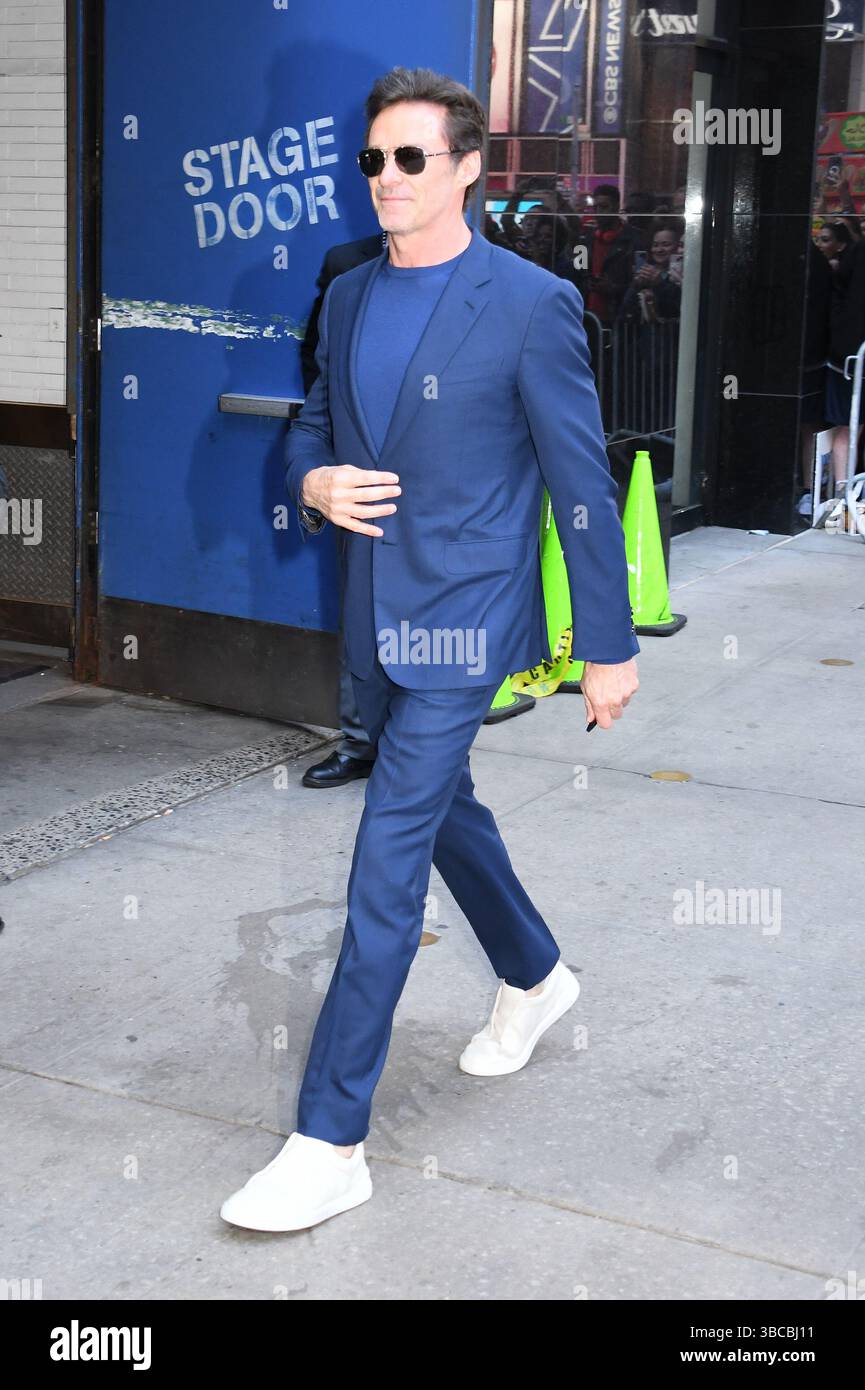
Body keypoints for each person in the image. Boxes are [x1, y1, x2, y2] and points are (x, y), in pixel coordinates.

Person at [220, 65, 639, 1233]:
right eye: (373, 159)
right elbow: (313, 417)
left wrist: (603, 645)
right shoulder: (350, 292)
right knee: (444, 807)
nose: (388, 179)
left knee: (386, 860)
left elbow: (579, 483)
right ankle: (536, 975)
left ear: (466, 168)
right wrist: (311, 476)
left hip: (465, 618)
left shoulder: (527, 302)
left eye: (411, 158)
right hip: (372, 613)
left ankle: (329, 1135)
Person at [298, 233, 384, 788]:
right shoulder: (346, 266)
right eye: (378, 160)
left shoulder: (486, 273)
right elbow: (317, 362)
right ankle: (360, 744)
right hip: (358, 475)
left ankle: (416, 747)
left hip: (438, 481)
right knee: (360, 612)